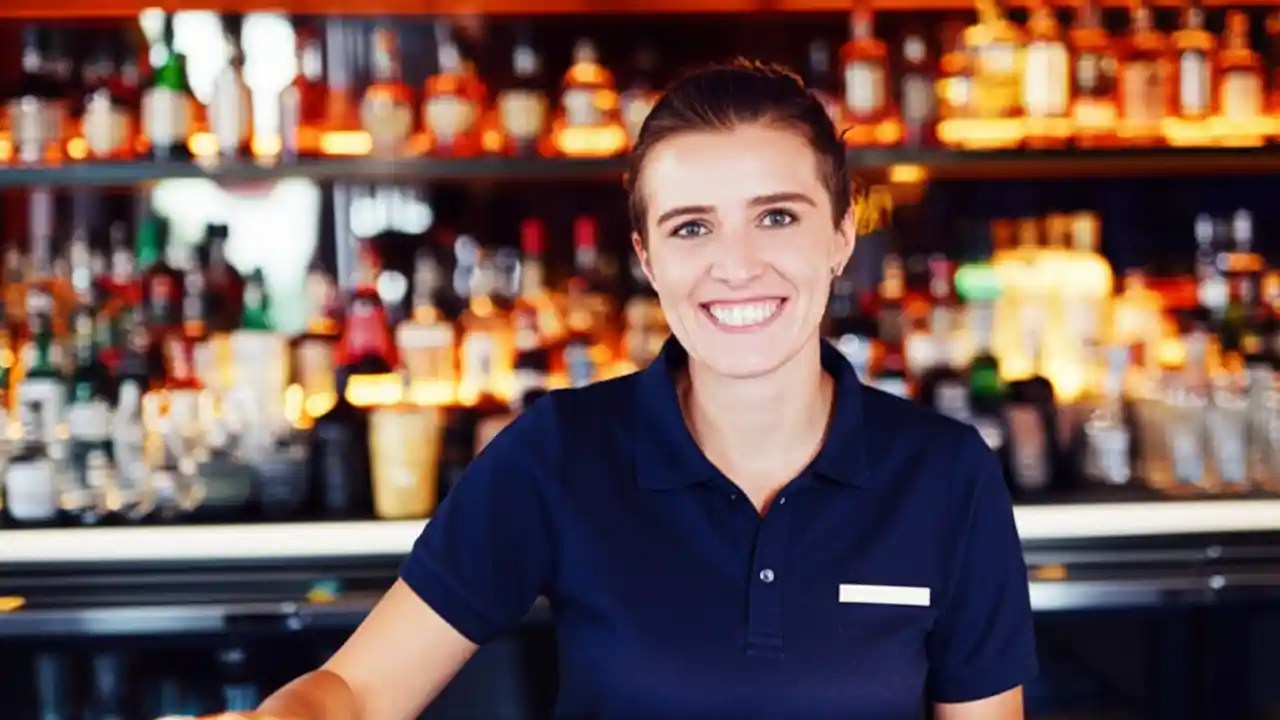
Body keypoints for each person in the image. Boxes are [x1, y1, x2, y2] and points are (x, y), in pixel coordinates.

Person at [252, 59, 1037, 720]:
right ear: (648, 258)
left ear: (841, 235)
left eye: (776, 217)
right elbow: (356, 689)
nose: (736, 265)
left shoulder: (945, 475)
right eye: (692, 227)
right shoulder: (560, 454)